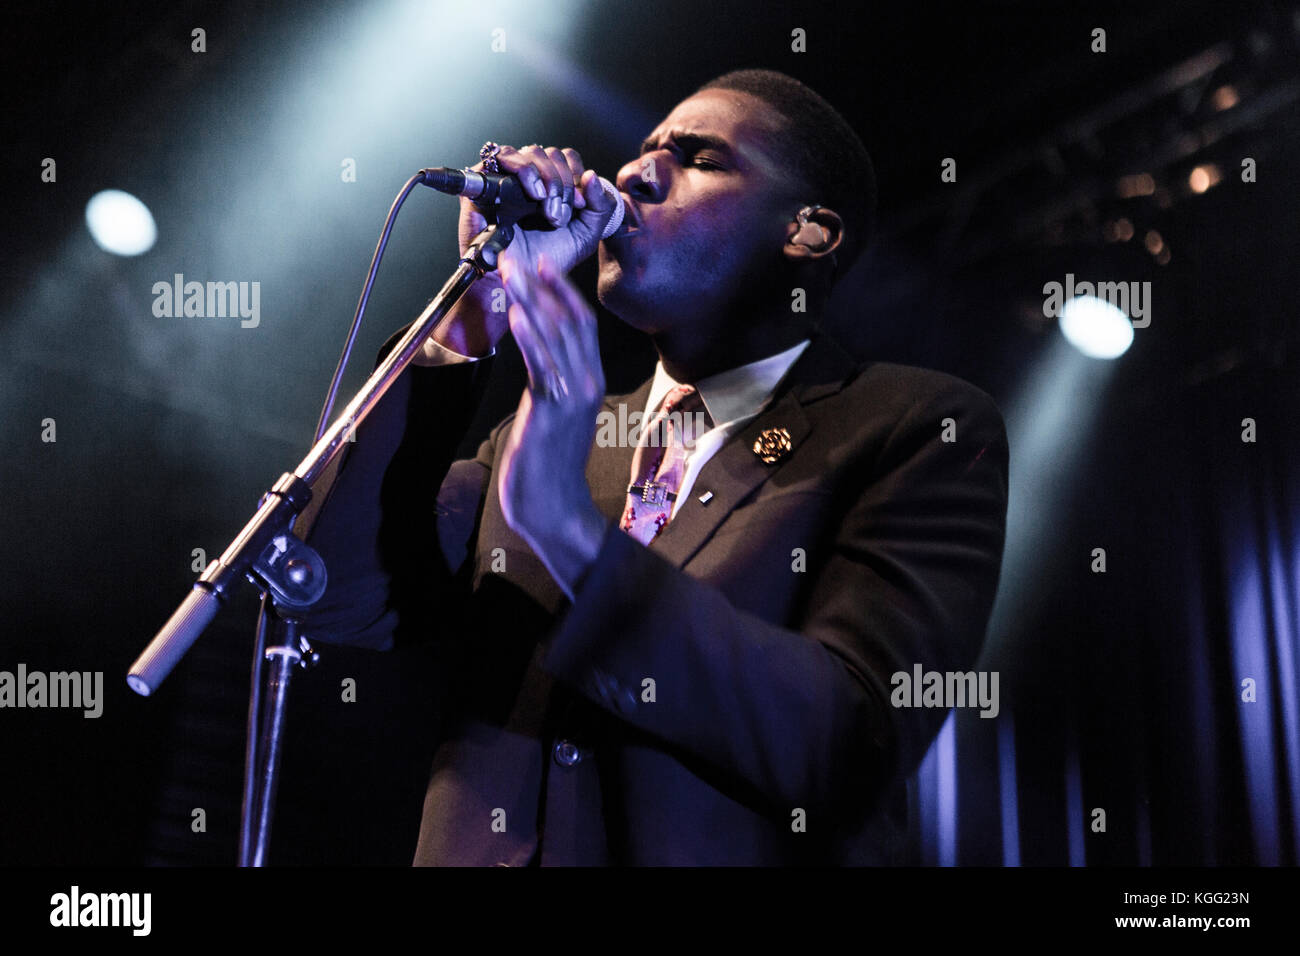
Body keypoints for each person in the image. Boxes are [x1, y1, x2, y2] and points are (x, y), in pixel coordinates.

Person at [294, 69, 1009, 865]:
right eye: (642, 150)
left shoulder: (909, 425)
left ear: (807, 232)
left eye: (699, 157)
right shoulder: (561, 431)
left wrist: (568, 530)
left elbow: (851, 742)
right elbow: (328, 590)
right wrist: (473, 315)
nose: (633, 172)